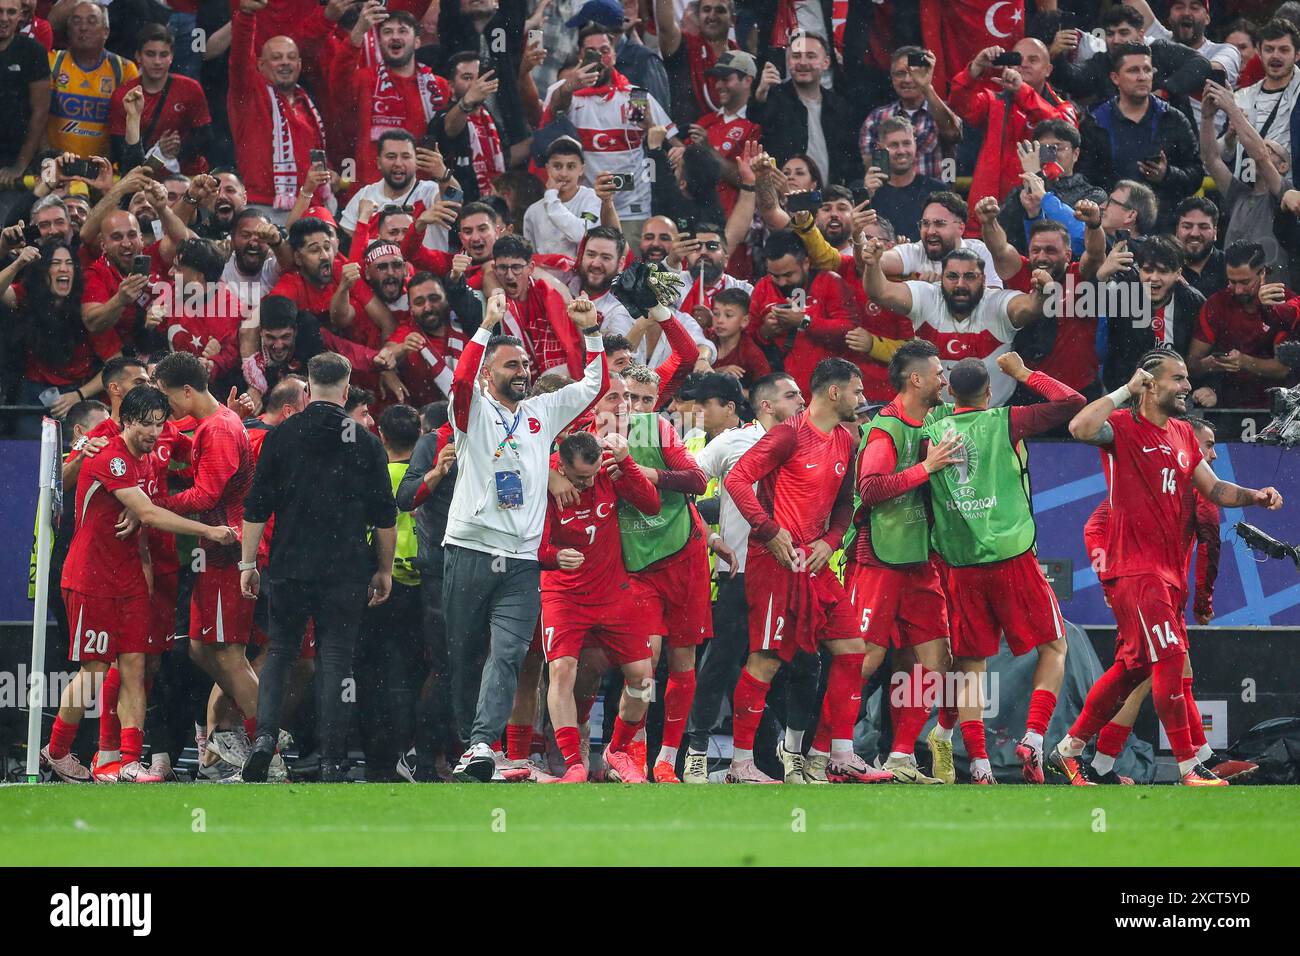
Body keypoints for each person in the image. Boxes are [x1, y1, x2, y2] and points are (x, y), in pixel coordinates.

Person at [1055, 347, 1282, 786]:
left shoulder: (1181, 432)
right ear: (1150, 382)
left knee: (1132, 669)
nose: (1186, 387)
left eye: (1186, 379)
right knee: (1171, 661)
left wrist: (1254, 495)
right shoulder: (1122, 427)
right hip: (1137, 570)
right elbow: (1079, 426)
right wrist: (1124, 390)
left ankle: (1069, 750)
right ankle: (1188, 766)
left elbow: (1214, 490)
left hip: (1168, 574)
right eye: (1178, 379)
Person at [441, 289, 608, 782]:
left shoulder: (541, 414)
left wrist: (591, 330)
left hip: (520, 559)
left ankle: (478, 749)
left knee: (509, 654)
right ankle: (458, 743)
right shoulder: (471, 412)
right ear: (490, 373)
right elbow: (460, 383)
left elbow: (593, 385)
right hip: (471, 546)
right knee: (464, 653)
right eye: (511, 365)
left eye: (525, 364)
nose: (523, 371)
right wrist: (486, 326)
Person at [40, 385, 235, 784]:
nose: (153, 432)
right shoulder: (108, 456)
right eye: (145, 424)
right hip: (91, 577)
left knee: (135, 666)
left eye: (159, 424)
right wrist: (210, 532)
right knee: (94, 670)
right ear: (125, 421)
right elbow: (148, 511)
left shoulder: (145, 459)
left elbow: (143, 511)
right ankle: (56, 751)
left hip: (129, 576)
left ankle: (129, 761)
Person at [920, 353, 1084, 784]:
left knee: (970, 663)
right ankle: (1033, 736)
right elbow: (1071, 402)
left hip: (960, 565)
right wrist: (1023, 373)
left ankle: (979, 765)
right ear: (990, 392)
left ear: (950, 392)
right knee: (1053, 647)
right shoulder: (1006, 421)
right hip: (1014, 559)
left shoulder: (930, 430)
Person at [240, 352, 398, 782]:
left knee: (280, 655)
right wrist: (383, 571)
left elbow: (256, 506)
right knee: (335, 663)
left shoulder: (282, 435)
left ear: (308, 389)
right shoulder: (365, 440)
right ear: (346, 391)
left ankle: (264, 739)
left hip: (290, 566)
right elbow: (386, 516)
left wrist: (247, 563)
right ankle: (332, 758)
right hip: (345, 570)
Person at [721, 357, 874, 784]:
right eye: (857, 392)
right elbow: (736, 479)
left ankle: (839, 753)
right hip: (776, 561)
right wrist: (769, 531)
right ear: (833, 392)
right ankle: (739, 764)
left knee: (851, 650)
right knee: (765, 660)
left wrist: (832, 540)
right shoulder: (788, 436)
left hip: (816, 560)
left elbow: (846, 502)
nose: (861, 400)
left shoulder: (846, 438)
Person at [1082, 417, 1258, 785]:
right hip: (1147, 589)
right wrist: (1203, 601)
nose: (1211, 453)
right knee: (1144, 673)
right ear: (1186, 442)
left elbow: (1095, 527)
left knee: (1168, 672)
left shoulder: (1159, 484)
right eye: (1207, 444)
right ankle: (1100, 760)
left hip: (1161, 591)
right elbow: (1209, 545)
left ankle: (1199, 757)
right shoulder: (1185, 487)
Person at [684, 372, 806, 782]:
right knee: (719, 665)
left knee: (793, 668)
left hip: (790, 574)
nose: (802, 401)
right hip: (739, 575)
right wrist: (712, 536)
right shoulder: (732, 442)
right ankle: (696, 753)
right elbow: (688, 487)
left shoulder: (811, 442)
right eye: (792, 395)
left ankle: (779, 758)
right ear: (767, 406)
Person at [152, 352, 260, 757]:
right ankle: (259, 727)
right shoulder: (215, 424)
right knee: (198, 646)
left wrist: (154, 506)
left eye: (166, 398)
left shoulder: (217, 429)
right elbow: (190, 447)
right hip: (218, 552)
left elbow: (205, 494)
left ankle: (265, 744)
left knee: (230, 656)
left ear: (186, 390)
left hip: (228, 552)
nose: (166, 409)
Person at [538, 428, 660, 784]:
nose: (588, 483)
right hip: (564, 594)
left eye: (592, 476)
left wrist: (627, 464)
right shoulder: (542, 481)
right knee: (562, 670)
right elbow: (529, 544)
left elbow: (651, 504)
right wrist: (555, 556)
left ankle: (617, 750)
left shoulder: (608, 471)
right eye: (579, 477)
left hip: (613, 592)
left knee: (644, 679)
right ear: (559, 467)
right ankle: (574, 762)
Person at [863, 239, 1052, 407]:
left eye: (969, 277)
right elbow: (881, 292)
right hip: (936, 415)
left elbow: (1029, 307)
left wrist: (1042, 294)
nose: (960, 284)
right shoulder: (928, 296)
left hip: (995, 414)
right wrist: (872, 266)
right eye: (952, 276)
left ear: (984, 280)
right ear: (941, 277)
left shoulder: (996, 303)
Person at [540, 22, 676, 240]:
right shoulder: (563, 91)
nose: (599, 57)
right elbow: (552, 114)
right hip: (586, 206)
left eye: (604, 50)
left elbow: (670, 141)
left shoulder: (636, 95)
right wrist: (569, 85)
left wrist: (650, 125)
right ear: (580, 57)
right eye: (591, 52)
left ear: (613, 56)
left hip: (633, 207)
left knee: (631, 271)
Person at [949, 37, 1078, 232]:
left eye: (1033, 60)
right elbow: (958, 104)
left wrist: (1021, 91)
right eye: (1017, 59)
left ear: (1048, 70)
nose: (1023, 64)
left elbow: (1063, 128)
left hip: (1039, 214)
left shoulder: (1062, 107)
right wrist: (975, 68)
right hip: (989, 213)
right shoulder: (994, 101)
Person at [1078, 43, 1204, 232]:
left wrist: (1167, 175)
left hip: (1163, 231)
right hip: (1112, 232)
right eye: (1133, 70)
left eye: (1147, 69)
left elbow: (1196, 174)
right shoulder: (1095, 123)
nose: (1142, 77)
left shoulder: (1173, 119)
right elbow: (1084, 178)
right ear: (1115, 78)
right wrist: (1112, 207)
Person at [332, 6, 452, 191]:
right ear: (380, 43)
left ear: (417, 41)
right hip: (372, 192)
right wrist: (359, 31)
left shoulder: (438, 87)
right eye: (387, 32)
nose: (395, 37)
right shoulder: (366, 80)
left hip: (420, 193)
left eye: (403, 31)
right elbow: (338, 82)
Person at [228, 0, 328, 220]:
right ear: (261, 65)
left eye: (291, 57)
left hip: (311, 206)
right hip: (265, 207)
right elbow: (240, 56)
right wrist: (246, 15)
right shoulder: (249, 94)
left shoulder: (307, 104)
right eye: (276, 58)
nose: (285, 63)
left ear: (300, 65)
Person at [1187, 240, 1296, 409]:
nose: (1237, 289)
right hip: (1227, 403)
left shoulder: (1286, 304)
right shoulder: (1216, 305)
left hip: (1279, 407)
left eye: (1245, 282)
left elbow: (1283, 368)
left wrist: (1244, 361)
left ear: (1262, 273)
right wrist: (1209, 364)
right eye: (1232, 281)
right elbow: (1192, 364)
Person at [748, 31, 860, 187]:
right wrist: (760, 95)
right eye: (796, 56)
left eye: (811, 56)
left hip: (828, 200)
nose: (802, 62)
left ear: (826, 62)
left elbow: (851, 161)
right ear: (788, 61)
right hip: (783, 199)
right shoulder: (773, 98)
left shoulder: (839, 105)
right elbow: (754, 124)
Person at [108, 23, 212, 175]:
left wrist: (178, 149)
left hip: (187, 175)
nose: (157, 61)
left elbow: (206, 137)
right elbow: (119, 150)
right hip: (141, 178)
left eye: (163, 55)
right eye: (150, 54)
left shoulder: (190, 89)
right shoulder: (124, 96)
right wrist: (158, 150)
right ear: (138, 56)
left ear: (172, 57)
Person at [47, 2, 137, 158]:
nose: (83, 27)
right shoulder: (52, 62)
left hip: (102, 168)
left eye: (92, 21)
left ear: (106, 32)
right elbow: (37, 118)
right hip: (57, 165)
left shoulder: (124, 69)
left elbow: (133, 126)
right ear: (69, 31)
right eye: (76, 21)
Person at [859, 46, 962, 182]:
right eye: (900, 73)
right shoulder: (876, 118)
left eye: (914, 73)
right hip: (892, 200)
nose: (907, 79)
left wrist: (926, 87)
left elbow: (953, 134)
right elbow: (872, 170)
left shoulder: (941, 110)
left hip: (936, 200)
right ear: (892, 77)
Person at [862, 117, 948, 245]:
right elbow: (856, 235)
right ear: (881, 148)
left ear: (915, 144)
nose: (901, 151)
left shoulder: (938, 190)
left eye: (906, 143)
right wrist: (865, 195)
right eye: (894, 145)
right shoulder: (868, 190)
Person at [522, 137, 604, 258]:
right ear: (548, 168)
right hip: (544, 276)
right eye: (557, 166)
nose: (563, 174)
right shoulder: (533, 211)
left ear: (581, 169)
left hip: (582, 275)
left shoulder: (591, 199)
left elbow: (581, 234)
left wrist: (551, 198)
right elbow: (529, 257)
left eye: (571, 167)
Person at [0, 0, 49, 193]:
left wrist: (20, 165)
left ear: (21, 15)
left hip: (16, 158)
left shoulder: (32, 51)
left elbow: (40, 111)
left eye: (11, 12)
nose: (4, 18)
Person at [1174, 196, 1227, 299]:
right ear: (1177, 231)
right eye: (1187, 226)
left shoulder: (1231, 266)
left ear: (1215, 232)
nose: (1195, 233)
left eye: (1203, 227)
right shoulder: (1163, 268)